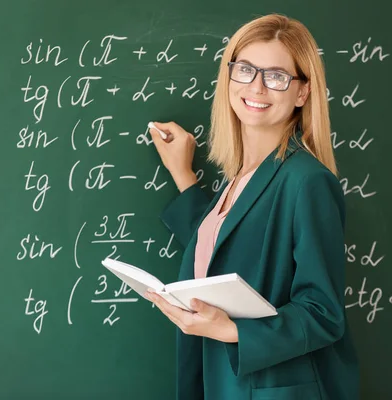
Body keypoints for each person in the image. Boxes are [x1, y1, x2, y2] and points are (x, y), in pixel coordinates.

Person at [145, 13, 359, 400]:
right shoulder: (241, 177)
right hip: (221, 383)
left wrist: (231, 330)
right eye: (245, 69)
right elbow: (229, 249)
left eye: (276, 75)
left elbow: (324, 313)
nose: (257, 86)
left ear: (302, 93)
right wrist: (182, 175)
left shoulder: (307, 181)